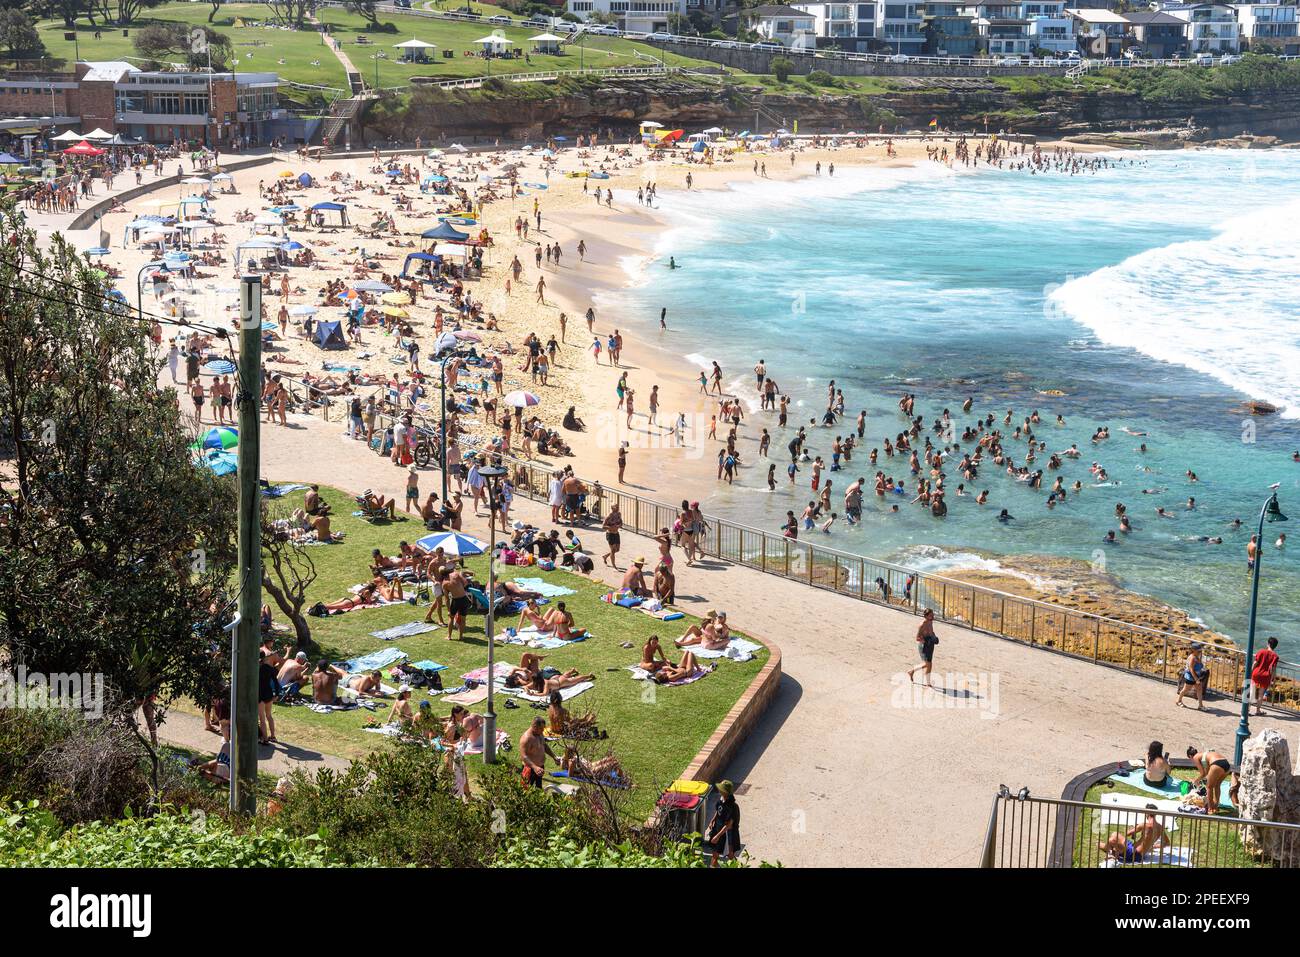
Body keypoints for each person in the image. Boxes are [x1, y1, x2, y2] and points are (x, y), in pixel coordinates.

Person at [1097, 805, 1169, 864]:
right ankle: (1112, 850)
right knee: (1114, 834)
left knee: (1110, 840)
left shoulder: (1145, 825)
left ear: (1147, 813)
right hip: (1135, 849)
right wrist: (1152, 846)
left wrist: (1133, 829)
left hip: (1134, 854)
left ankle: (1111, 851)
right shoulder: (1160, 827)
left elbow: (1127, 833)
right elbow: (1167, 843)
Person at [1186, 746, 1234, 814]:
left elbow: (1203, 774)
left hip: (1217, 764)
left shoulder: (1195, 757)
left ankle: (1210, 808)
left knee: (1209, 787)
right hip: (1226, 764)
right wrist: (1199, 779)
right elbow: (1206, 773)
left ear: (1190, 756)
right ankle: (1216, 805)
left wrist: (1196, 781)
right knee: (1217, 785)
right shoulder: (1204, 755)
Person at [706, 780, 741, 867]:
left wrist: (717, 836)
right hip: (718, 829)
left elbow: (729, 825)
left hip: (728, 834)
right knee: (715, 854)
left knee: (730, 855)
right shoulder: (721, 800)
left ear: (726, 792)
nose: (719, 790)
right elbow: (718, 811)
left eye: (721, 789)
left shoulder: (732, 807)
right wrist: (712, 820)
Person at [519, 716, 559, 788]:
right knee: (526, 790)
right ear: (535, 727)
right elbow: (523, 756)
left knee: (538, 789)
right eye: (541, 728)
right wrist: (535, 767)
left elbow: (544, 745)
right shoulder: (526, 738)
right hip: (530, 769)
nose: (543, 730)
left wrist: (554, 757)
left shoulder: (539, 733)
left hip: (540, 768)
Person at [906, 609, 939, 687]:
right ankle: (928, 683)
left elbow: (931, 632)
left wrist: (934, 637)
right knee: (929, 664)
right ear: (926, 616)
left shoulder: (930, 622)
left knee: (927, 664)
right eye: (931, 615)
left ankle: (911, 671)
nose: (933, 616)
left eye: (933, 615)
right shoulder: (922, 625)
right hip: (924, 646)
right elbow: (917, 638)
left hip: (930, 645)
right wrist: (926, 641)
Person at [1249, 636, 1280, 716]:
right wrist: (1272, 679)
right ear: (1275, 646)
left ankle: (1247, 710)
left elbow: (1255, 663)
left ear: (1268, 644)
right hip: (1266, 676)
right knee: (1261, 694)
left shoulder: (1261, 651)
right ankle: (1258, 711)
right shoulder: (1275, 656)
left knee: (1252, 692)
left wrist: (1250, 672)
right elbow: (1273, 669)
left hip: (1256, 674)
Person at [1175, 645, 1209, 709]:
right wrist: (1196, 679)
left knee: (1199, 690)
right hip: (1191, 677)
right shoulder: (1192, 658)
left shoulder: (1196, 656)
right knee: (1185, 690)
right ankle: (1178, 701)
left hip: (1197, 676)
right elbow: (1191, 669)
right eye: (1199, 651)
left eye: (1200, 650)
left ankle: (1200, 705)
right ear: (1194, 650)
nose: (1200, 652)